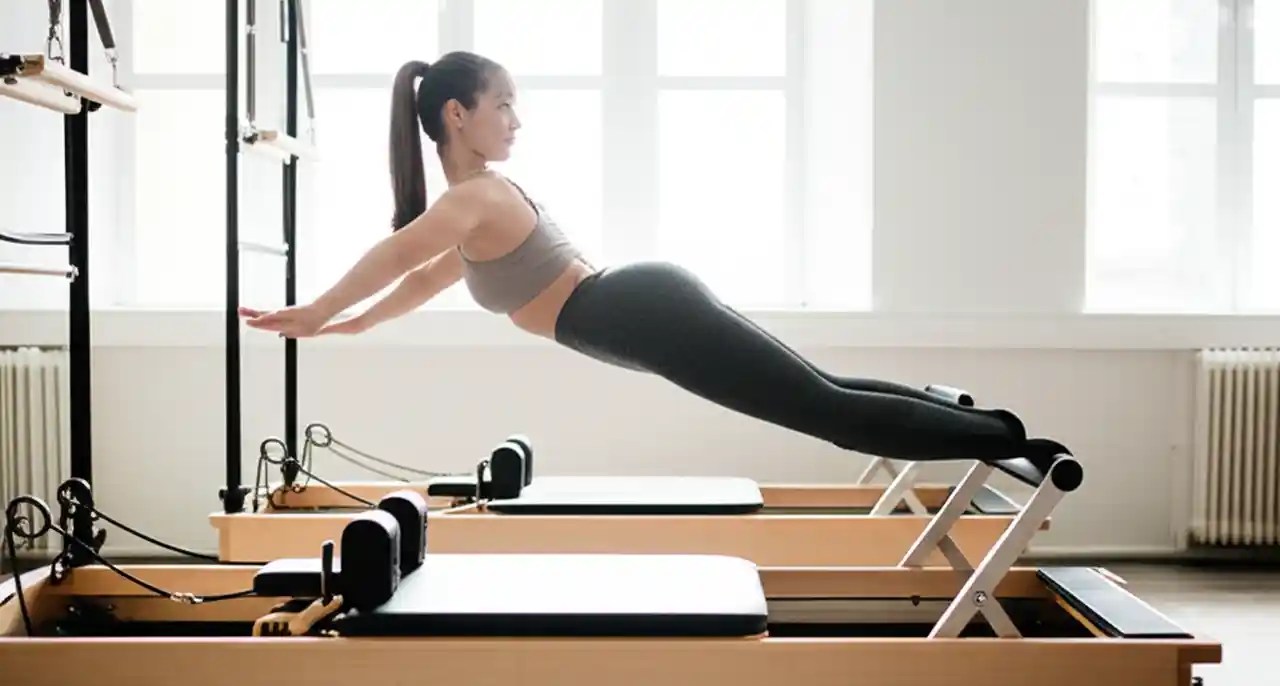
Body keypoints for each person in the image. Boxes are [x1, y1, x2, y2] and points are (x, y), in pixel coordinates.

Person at [241, 51, 1066, 465]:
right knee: (826, 395)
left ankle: (1010, 441)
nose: (516, 121)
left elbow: (395, 254)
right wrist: (349, 328)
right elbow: (417, 276)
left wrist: (319, 312)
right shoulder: (472, 212)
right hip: (643, 308)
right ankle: (998, 430)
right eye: (504, 106)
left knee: (827, 411)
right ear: (458, 114)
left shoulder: (476, 199)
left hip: (642, 310)